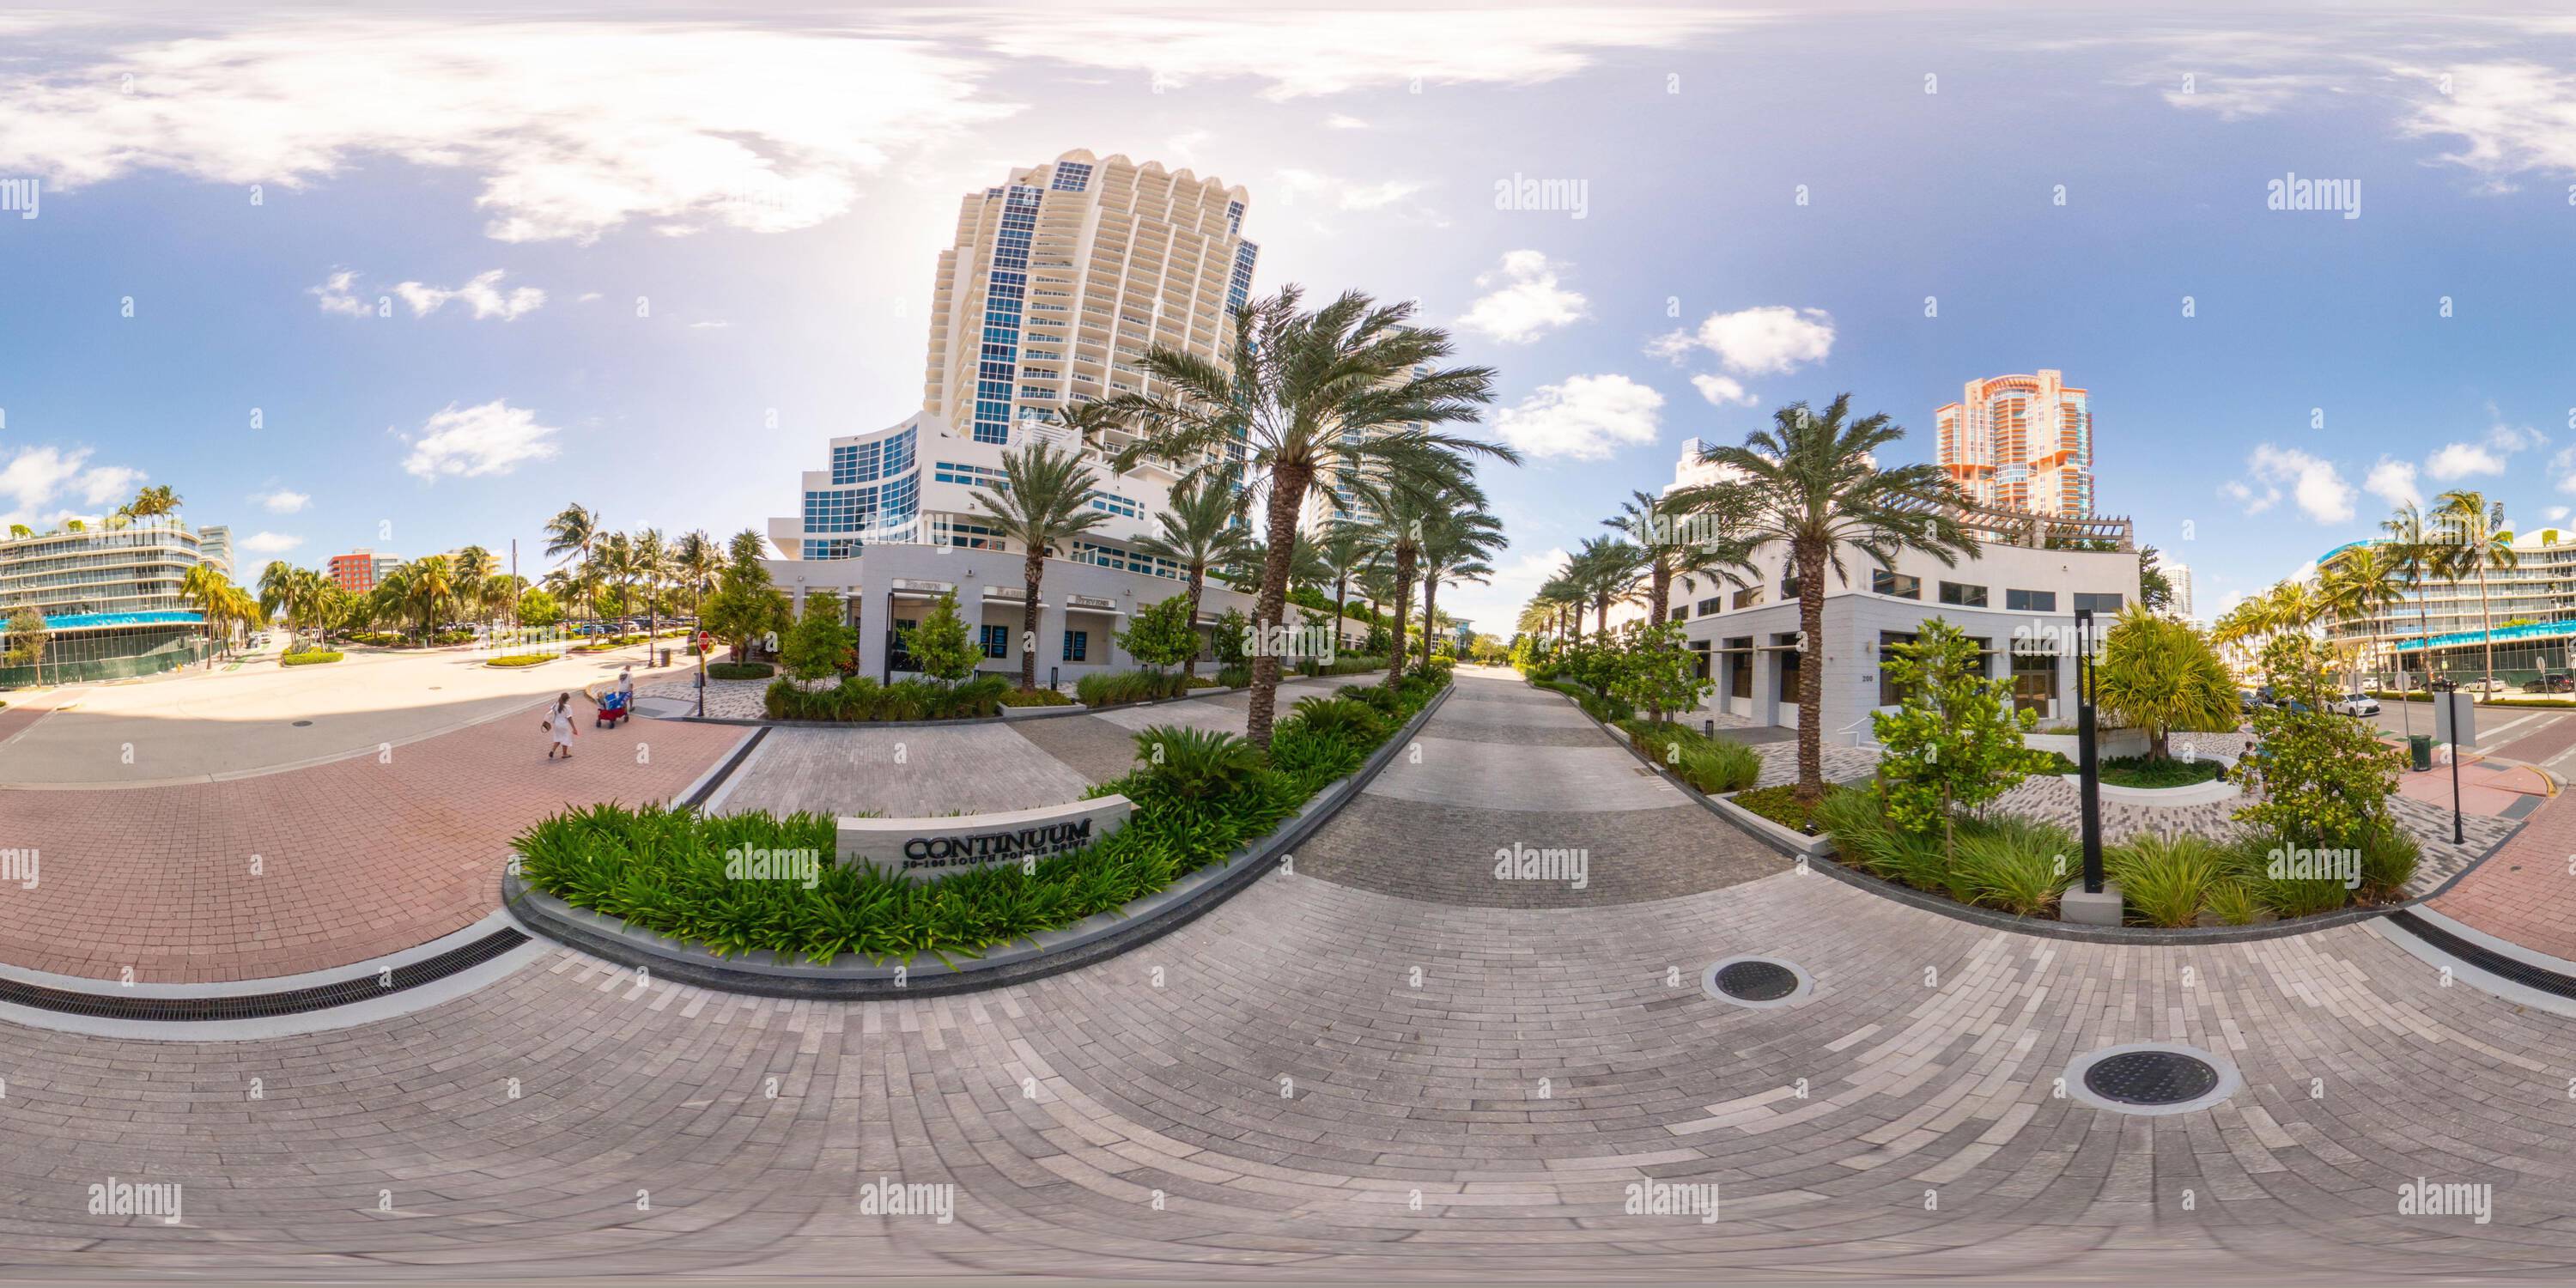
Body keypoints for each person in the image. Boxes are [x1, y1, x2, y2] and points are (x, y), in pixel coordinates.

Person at [544, 692, 579, 760]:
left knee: (558, 737)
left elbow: (551, 711)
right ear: (567, 699)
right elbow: (569, 718)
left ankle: (552, 750)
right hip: (564, 725)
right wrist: (574, 728)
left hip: (556, 724)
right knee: (565, 738)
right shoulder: (567, 707)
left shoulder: (555, 704)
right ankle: (564, 754)